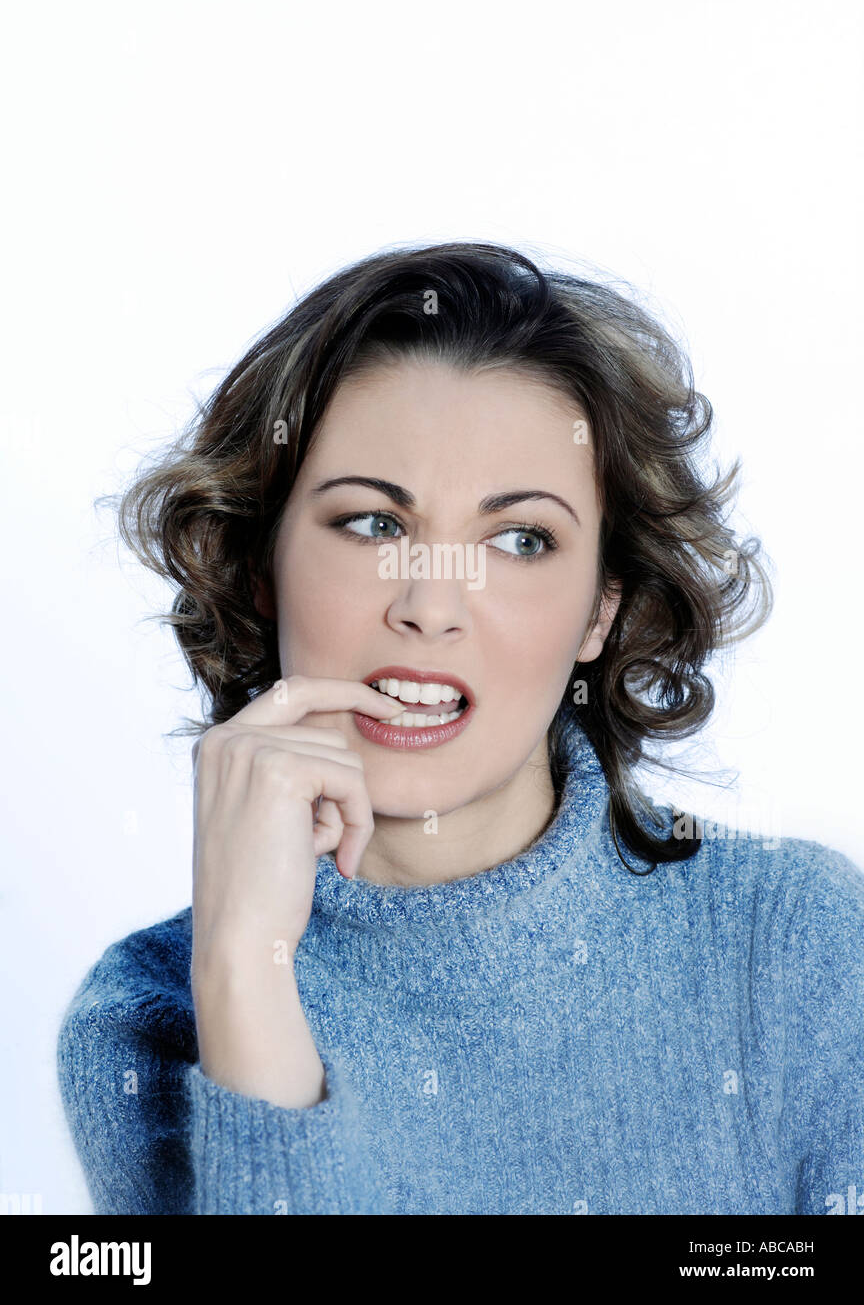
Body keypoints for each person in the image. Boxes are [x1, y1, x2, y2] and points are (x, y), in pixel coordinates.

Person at [57, 241, 864, 1215]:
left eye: (520, 539)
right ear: (264, 566)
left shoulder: (792, 945)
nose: (434, 606)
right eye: (372, 523)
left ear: (601, 610)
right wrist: (244, 973)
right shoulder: (147, 1017)